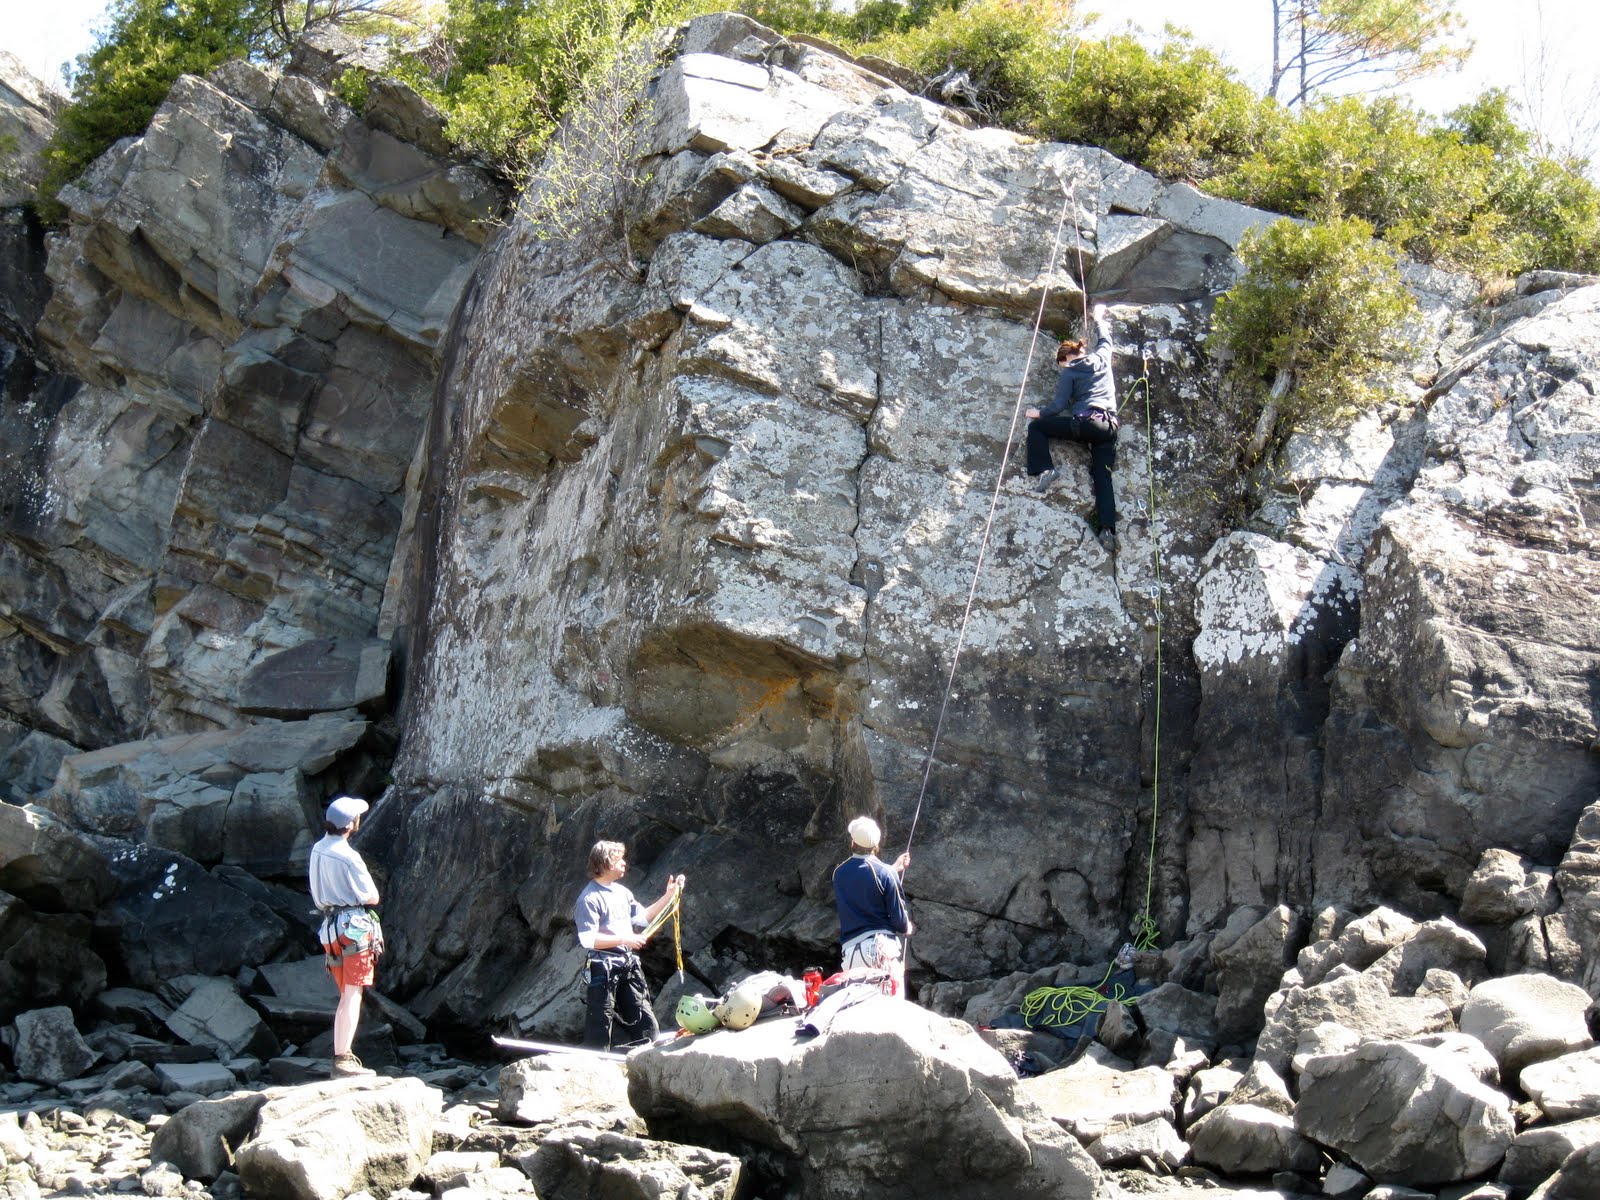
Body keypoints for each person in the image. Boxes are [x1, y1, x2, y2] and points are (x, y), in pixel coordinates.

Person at [1025, 303, 1120, 553]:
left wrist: (1039, 414)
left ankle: (1045, 468)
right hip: (1109, 426)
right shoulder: (1101, 358)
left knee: (1037, 429)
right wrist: (1099, 317)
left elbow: (1059, 404)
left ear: (1066, 358)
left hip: (1087, 422)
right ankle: (1107, 529)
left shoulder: (1070, 371)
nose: (1063, 367)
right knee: (1103, 477)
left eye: (1062, 363)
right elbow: (1105, 339)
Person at [573, 840, 685, 1051]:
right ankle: (596, 1064)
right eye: (619, 859)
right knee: (600, 1023)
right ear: (605, 863)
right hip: (602, 968)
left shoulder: (622, 893)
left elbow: (643, 918)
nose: (624, 863)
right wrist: (625, 939)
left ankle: (646, 1056)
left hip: (627, 965)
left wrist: (669, 895)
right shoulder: (588, 899)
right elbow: (587, 940)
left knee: (645, 1020)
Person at [309, 794, 383, 1079]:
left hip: (330, 929)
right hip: (353, 928)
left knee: (345, 995)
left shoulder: (317, 848)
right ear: (351, 824)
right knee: (353, 994)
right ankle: (343, 1060)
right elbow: (372, 896)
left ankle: (341, 1056)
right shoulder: (349, 856)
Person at [831, 816, 912, 997]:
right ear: (876, 844)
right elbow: (900, 922)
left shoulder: (838, 873)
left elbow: (863, 882)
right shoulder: (886, 873)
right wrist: (908, 926)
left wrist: (894, 868)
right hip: (880, 951)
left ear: (853, 842)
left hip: (851, 955)